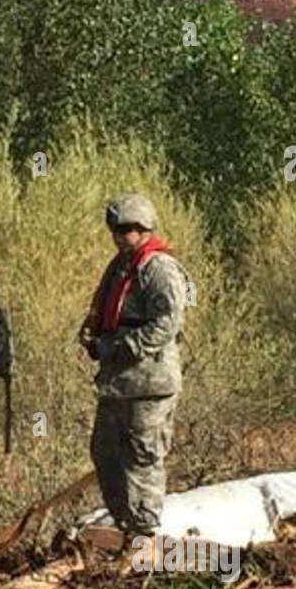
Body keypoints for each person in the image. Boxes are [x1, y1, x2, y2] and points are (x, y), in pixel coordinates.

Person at [78, 194, 187, 537]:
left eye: (127, 229)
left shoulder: (159, 268)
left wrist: (120, 347)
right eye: (116, 229)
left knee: (142, 458)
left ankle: (145, 534)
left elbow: (167, 322)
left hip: (150, 382)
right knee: (105, 453)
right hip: (118, 382)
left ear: (144, 229)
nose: (119, 236)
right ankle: (126, 527)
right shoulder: (121, 266)